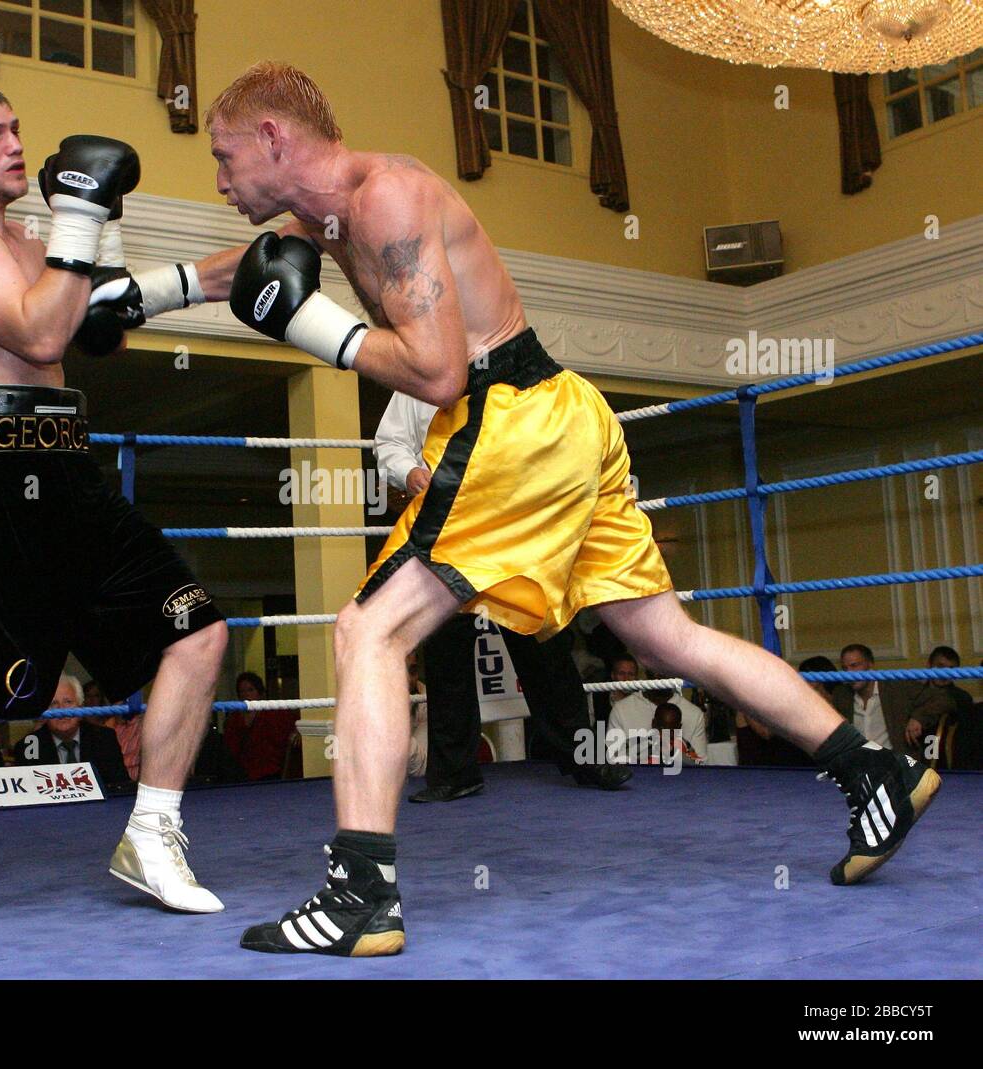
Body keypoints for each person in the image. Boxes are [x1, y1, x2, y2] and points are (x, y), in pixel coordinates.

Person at [87, 62, 942, 956]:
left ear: (274, 138)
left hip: (510, 420)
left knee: (366, 632)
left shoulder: (387, 199)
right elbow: (248, 271)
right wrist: (144, 294)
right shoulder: (336, 209)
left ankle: (361, 895)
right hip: (566, 412)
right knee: (664, 637)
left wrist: (311, 329)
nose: (219, 181)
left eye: (225, 158)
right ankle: (872, 768)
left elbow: (437, 373)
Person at [0, 75, 228, 936]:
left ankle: (153, 833)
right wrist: (82, 221)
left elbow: (96, 324)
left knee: (198, 629)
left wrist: (211, 280)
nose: (18, 144)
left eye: (17, 127)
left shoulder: (28, 235)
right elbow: (37, 333)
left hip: (67, 467)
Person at [374, 389, 628, 802]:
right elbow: (391, 442)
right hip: (447, 533)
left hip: (514, 531)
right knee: (446, 654)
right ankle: (454, 774)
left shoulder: (513, 375)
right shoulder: (415, 381)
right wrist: (410, 473)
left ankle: (588, 759)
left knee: (544, 646)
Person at [14, 676, 130, 791]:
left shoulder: (104, 738)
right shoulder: (29, 745)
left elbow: (121, 787)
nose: (61, 710)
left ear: (81, 707)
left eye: (68, 702)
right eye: (53, 704)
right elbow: (28, 794)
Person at [835, 644, 952, 758]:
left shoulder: (896, 687)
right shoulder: (842, 694)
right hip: (856, 765)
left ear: (870, 665)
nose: (849, 673)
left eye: (854, 665)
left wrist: (918, 718)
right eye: (845, 668)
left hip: (893, 764)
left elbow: (943, 699)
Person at [224, 671, 297, 781]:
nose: (246, 695)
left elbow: (295, 723)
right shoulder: (234, 718)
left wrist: (297, 733)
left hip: (270, 771)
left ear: (259, 692)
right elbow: (230, 748)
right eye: (242, 691)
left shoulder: (273, 712)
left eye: (250, 690)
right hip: (242, 774)